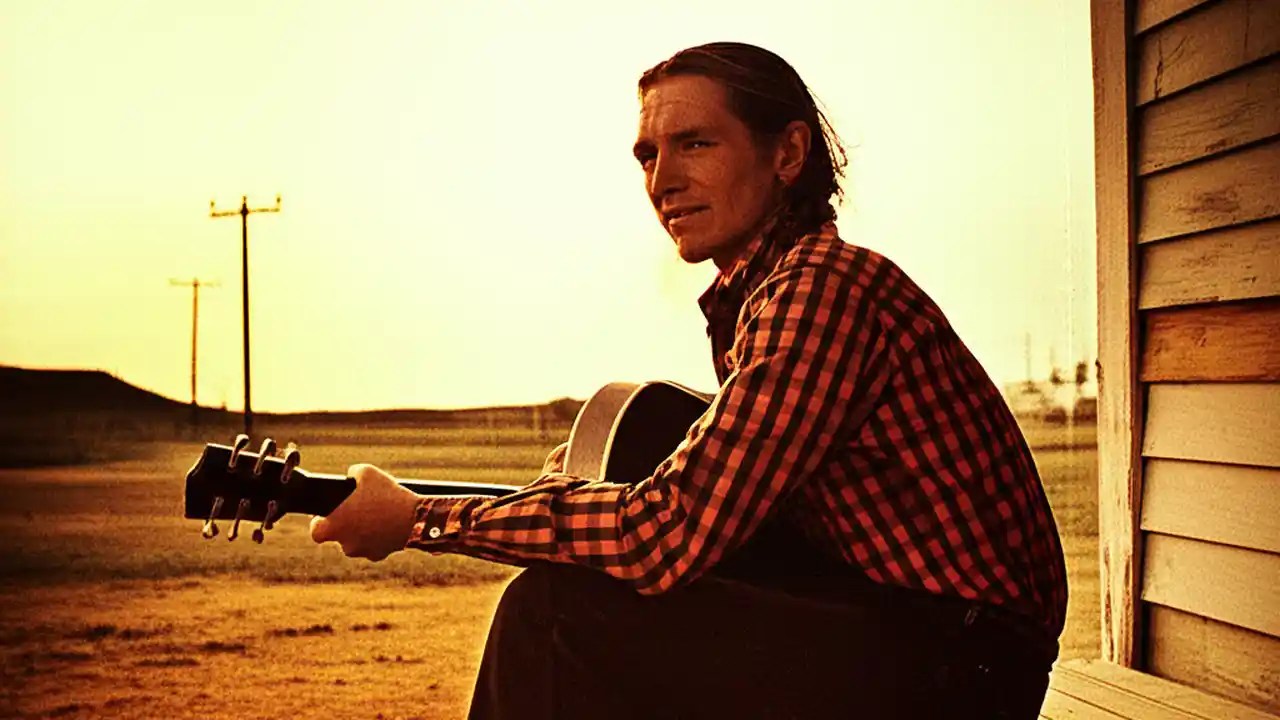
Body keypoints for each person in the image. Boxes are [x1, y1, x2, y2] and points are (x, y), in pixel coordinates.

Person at [310, 41, 1068, 720]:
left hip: (959, 666)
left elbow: (667, 532)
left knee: (551, 618)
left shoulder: (822, 288)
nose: (664, 181)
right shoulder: (762, 300)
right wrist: (554, 503)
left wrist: (421, 519)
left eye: (695, 144)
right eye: (647, 156)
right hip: (895, 631)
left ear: (788, 153)